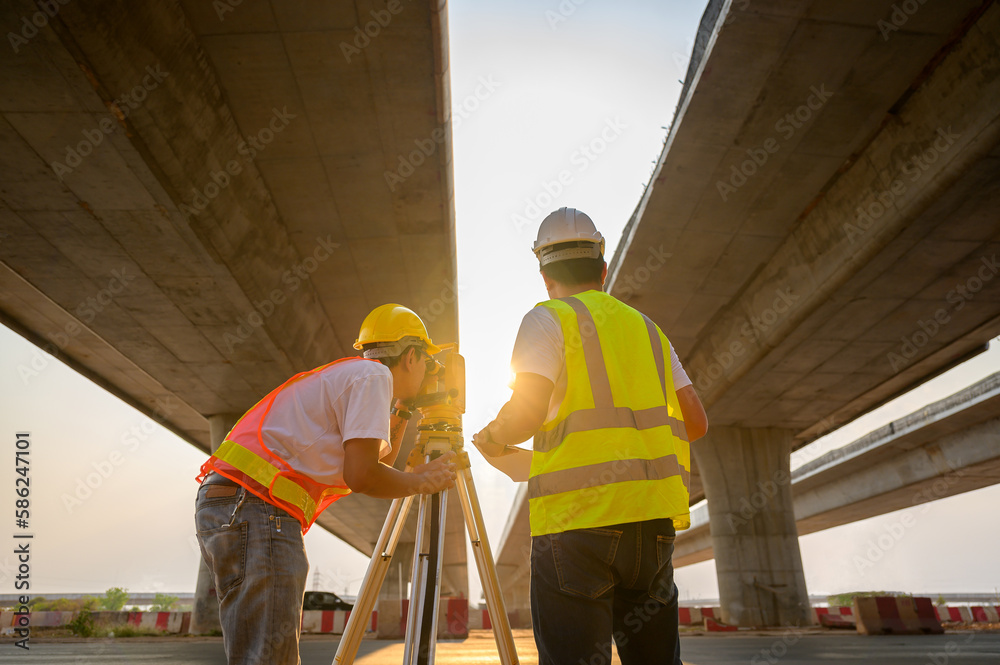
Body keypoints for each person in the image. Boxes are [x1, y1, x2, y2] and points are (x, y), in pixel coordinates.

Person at [473, 208, 708, 665]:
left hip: (576, 527)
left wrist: (492, 438)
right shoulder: (649, 330)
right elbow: (695, 423)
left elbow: (526, 413)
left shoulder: (548, 319)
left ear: (544, 274)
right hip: (652, 527)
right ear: (603, 268)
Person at [194, 304, 457, 665]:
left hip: (231, 506)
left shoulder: (355, 376)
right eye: (427, 361)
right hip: (255, 507)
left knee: (256, 655)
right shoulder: (372, 377)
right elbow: (362, 477)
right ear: (411, 356)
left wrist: (403, 408)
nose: (429, 371)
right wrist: (420, 481)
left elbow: (377, 461)